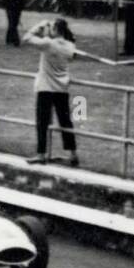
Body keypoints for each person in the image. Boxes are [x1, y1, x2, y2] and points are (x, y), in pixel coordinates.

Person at [24, 17, 106, 165]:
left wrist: (40, 26)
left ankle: (41, 154)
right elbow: (70, 53)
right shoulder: (70, 46)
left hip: (45, 87)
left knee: (42, 122)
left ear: (55, 29)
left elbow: (27, 38)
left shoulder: (47, 43)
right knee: (65, 122)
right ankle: (73, 155)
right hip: (61, 88)